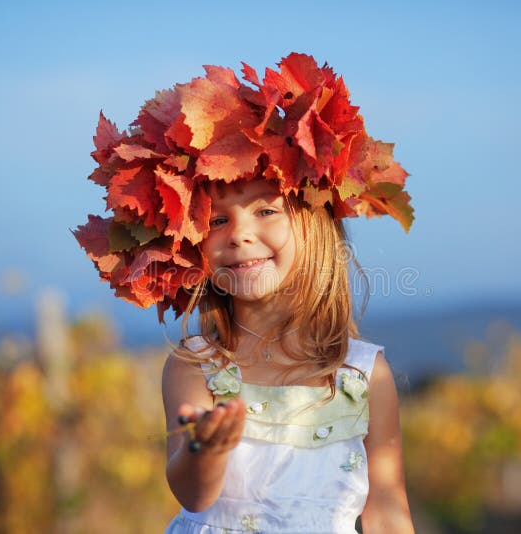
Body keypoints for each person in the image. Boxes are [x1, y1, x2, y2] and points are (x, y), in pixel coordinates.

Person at [74, 52, 416, 533]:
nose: (239, 235)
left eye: (266, 211)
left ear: (314, 226)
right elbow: (193, 495)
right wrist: (205, 451)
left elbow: (386, 509)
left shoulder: (363, 374)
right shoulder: (198, 365)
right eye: (217, 221)